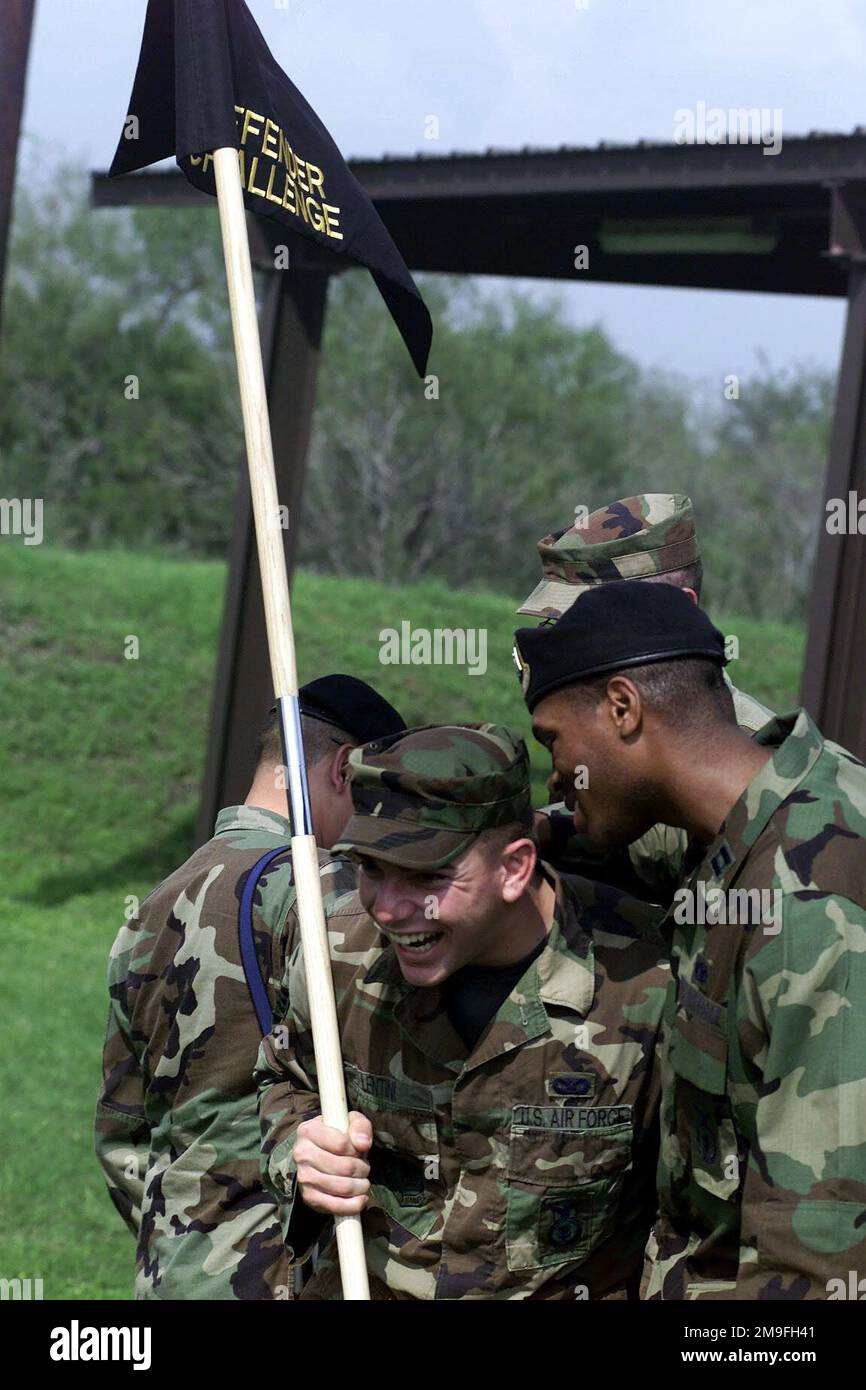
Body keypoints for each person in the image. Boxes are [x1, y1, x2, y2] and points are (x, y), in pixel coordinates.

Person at [513, 581, 866, 1298]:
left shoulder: (812, 900)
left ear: (622, 707)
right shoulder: (745, 834)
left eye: (553, 740)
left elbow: (817, 1260)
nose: (556, 774)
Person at [256, 723, 668, 1300]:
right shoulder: (336, 959)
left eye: (428, 878)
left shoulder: (645, 984)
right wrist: (298, 1148)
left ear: (515, 868)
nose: (392, 910)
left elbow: (693, 1216)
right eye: (371, 868)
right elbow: (284, 1076)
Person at [95, 674, 405, 1300]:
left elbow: (121, 1132)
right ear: (345, 769)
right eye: (383, 795)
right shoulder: (330, 893)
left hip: (173, 1271)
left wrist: (180, 1233)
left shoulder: (151, 906)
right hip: (286, 1270)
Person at [518, 493, 772, 903]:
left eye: (588, 619)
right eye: (555, 623)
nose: (563, 643)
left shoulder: (751, 755)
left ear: (678, 607)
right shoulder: (596, 712)